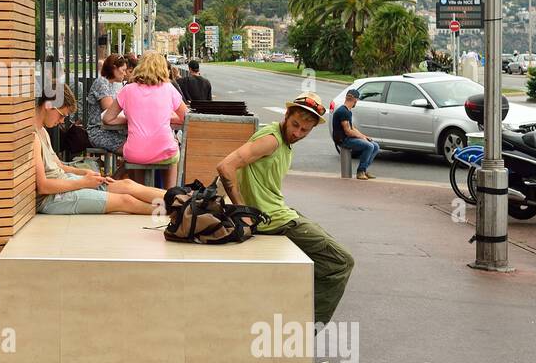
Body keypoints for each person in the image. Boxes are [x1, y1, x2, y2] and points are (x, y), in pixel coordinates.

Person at [215, 95, 354, 325]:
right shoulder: (272, 139)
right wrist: (242, 213)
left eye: (305, 130)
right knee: (342, 262)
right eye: (295, 126)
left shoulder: (282, 140)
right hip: (273, 220)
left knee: (325, 255)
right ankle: (305, 329)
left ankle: (289, 311)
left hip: (280, 212)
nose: (297, 133)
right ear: (286, 116)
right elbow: (226, 166)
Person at [34, 83, 166, 215]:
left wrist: (84, 173)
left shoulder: (43, 132)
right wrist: (83, 183)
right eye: (61, 115)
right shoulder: (34, 137)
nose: (62, 121)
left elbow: (59, 166)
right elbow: (43, 186)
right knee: (125, 201)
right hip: (52, 198)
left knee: (126, 184)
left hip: (65, 181)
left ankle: (179, 198)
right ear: (49, 106)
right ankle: (175, 212)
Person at [103, 52, 188, 186]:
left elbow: (108, 118)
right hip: (164, 150)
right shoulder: (169, 88)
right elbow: (186, 118)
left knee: (137, 164)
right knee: (173, 154)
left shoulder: (127, 90)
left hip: (135, 152)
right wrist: (166, 118)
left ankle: (141, 193)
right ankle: (169, 194)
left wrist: (131, 119)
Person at [86, 54, 129, 156]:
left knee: (138, 148)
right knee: (133, 152)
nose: (125, 73)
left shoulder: (111, 84)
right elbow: (109, 110)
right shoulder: (102, 83)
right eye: (123, 70)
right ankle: (116, 173)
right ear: (114, 68)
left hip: (109, 130)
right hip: (99, 132)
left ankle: (115, 173)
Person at [331, 88, 379, 179]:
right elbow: (348, 131)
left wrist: (364, 136)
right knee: (369, 146)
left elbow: (352, 128)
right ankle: (360, 172)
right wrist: (362, 137)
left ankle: (364, 169)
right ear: (355, 100)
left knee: (376, 146)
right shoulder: (343, 111)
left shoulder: (347, 111)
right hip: (343, 140)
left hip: (348, 137)